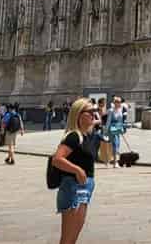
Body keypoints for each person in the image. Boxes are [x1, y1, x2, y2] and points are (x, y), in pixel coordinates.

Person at [51, 98, 98, 244]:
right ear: (78, 114)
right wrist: (77, 170)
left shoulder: (86, 135)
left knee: (72, 238)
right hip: (73, 188)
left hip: (83, 189)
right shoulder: (74, 136)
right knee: (67, 239)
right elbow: (57, 159)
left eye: (94, 111)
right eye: (90, 111)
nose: (94, 114)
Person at [105, 96, 127, 168]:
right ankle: (115, 162)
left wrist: (122, 129)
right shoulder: (111, 110)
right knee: (114, 144)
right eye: (118, 102)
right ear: (115, 103)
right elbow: (108, 121)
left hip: (117, 128)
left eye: (120, 102)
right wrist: (106, 130)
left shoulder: (120, 110)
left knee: (117, 144)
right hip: (111, 129)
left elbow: (121, 121)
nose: (120, 103)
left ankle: (110, 160)